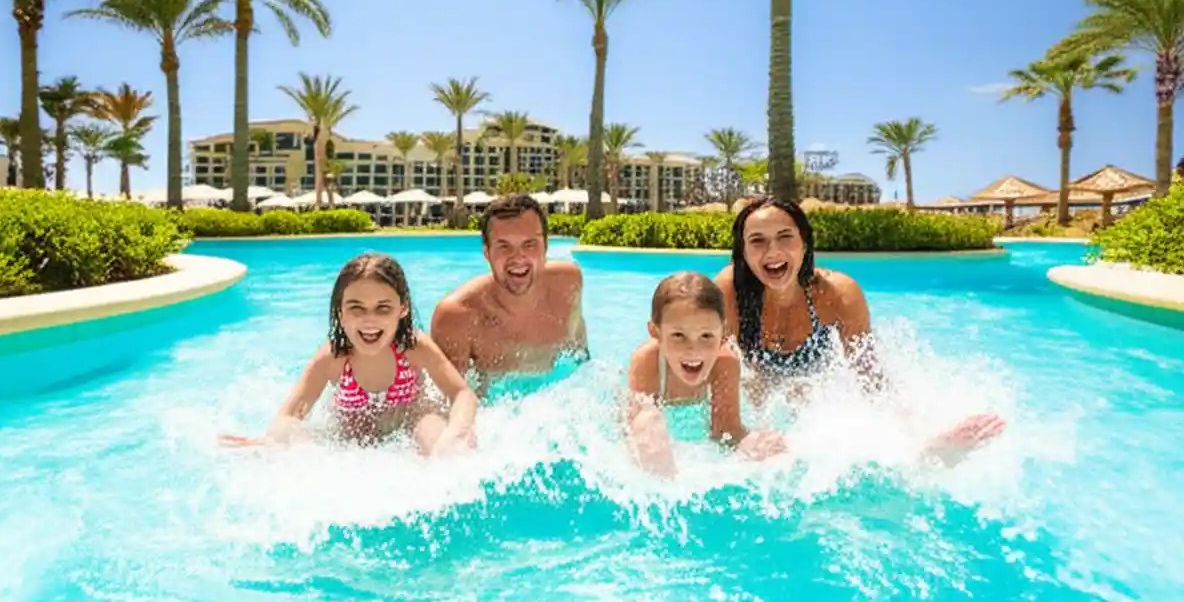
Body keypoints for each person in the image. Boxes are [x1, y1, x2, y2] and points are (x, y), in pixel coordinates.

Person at [714, 196, 1006, 467]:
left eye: (785, 237)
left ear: (804, 244)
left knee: (820, 414)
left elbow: (869, 376)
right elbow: (717, 374)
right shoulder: (729, 292)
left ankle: (928, 450)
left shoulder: (837, 293)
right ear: (743, 253)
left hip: (808, 396)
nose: (773, 251)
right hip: (755, 397)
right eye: (757, 241)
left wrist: (912, 431)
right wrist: (743, 440)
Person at [219, 253, 477, 456]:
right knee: (302, 444)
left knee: (431, 425)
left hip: (409, 425)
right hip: (353, 438)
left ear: (403, 310)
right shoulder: (333, 358)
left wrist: (456, 432)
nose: (369, 320)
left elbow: (461, 393)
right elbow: (291, 414)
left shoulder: (412, 347)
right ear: (340, 313)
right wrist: (274, 441)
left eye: (383, 308)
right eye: (357, 308)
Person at [625, 272, 788, 477]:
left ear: (722, 334)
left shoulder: (724, 363)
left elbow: (726, 432)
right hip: (644, 412)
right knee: (647, 421)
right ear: (656, 332)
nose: (693, 349)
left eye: (706, 336)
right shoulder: (647, 361)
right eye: (678, 335)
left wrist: (752, 446)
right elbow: (631, 430)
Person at [430, 193, 588, 396]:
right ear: (487, 253)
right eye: (504, 246)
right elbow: (449, 403)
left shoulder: (567, 283)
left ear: (545, 248)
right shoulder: (457, 316)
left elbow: (583, 362)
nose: (518, 257)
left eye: (529, 244)